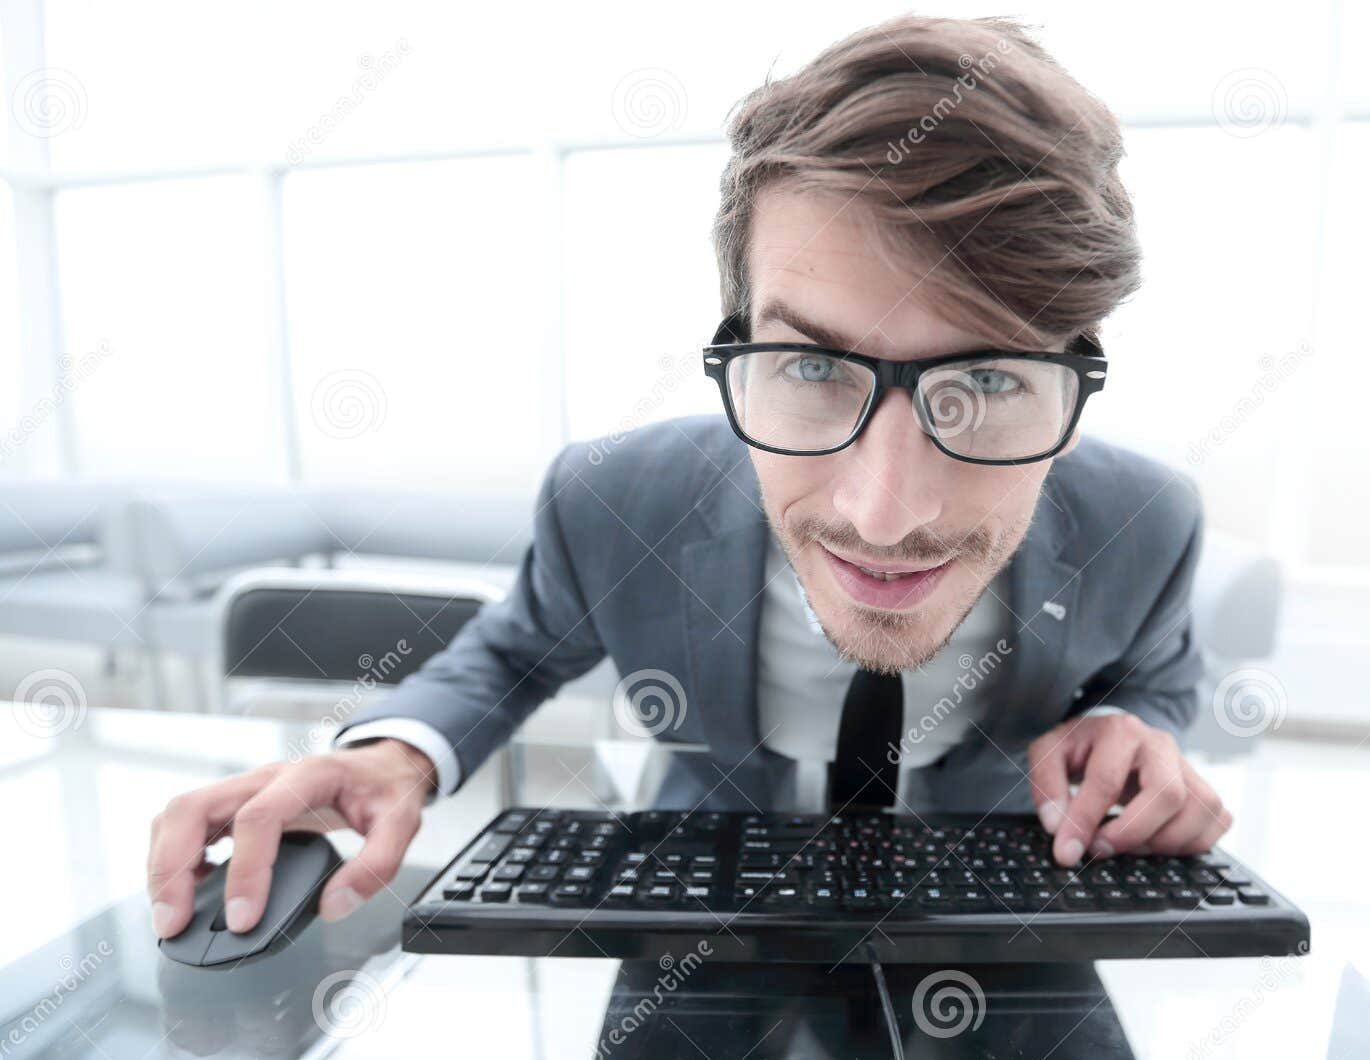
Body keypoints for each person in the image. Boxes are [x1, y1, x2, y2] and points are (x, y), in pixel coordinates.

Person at [147, 15, 1231, 954]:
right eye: (812, 368)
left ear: (1078, 372)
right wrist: (396, 753)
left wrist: (1143, 726)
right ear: (735, 339)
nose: (880, 512)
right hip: (694, 923)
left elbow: (1161, 679)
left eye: (987, 380)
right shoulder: (615, 501)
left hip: (1004, 925)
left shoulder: (1146, 523)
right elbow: (517, 651)